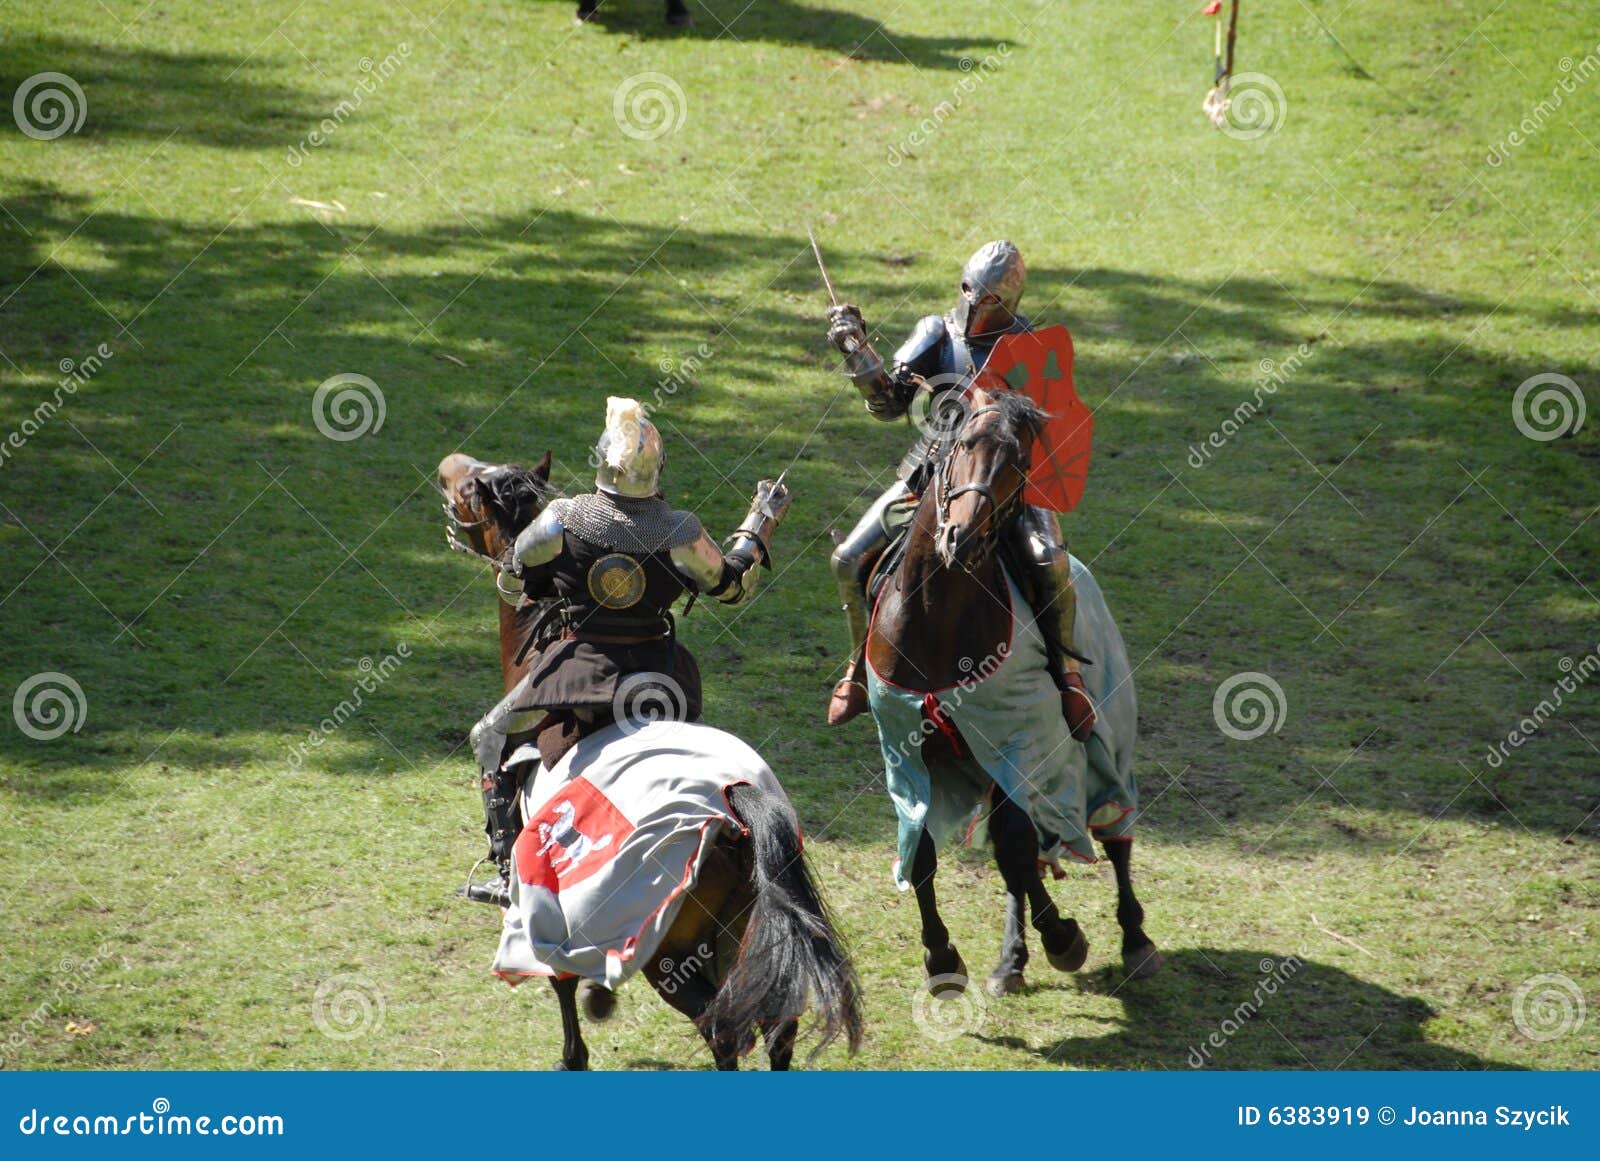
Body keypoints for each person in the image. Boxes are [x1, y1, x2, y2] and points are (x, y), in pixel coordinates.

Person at [465, 397, 789, 904]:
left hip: (575, 675)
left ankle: (508, 874)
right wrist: (759, 523)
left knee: (488, 735)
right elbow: (732, 587)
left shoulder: (562, 519)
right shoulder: (680, 531)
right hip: (662, 679)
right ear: (658, 469)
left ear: (600, 466)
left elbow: (510, 581)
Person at [823, 240, 1095, 740]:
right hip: (928, 474)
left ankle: (1068, 675)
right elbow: (889, 405)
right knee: (847, 558)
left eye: (986, 295)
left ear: (1007, 299)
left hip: (1002, 484)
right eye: (968, 288)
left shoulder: (1032, 348)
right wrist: (858, 353)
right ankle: (858, 670)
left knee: (1050, 559)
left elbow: (1046, 430)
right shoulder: (936, 332)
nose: (972, 301)